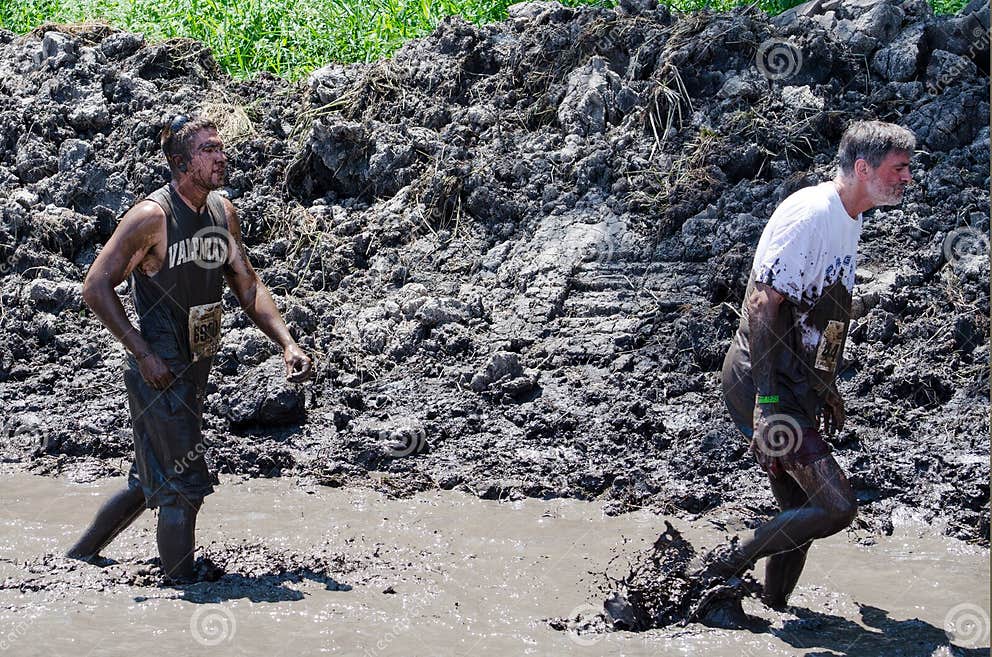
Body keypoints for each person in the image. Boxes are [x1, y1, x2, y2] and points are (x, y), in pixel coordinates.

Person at [66, 115, 312, 581]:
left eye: (221, 147)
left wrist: (286, 342)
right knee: (183, 485)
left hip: (196, 363)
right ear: (180, 163)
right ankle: (182, 587)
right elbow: (95, 287)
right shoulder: (151, 217)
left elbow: (247, 284)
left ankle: (77, 559)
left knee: (148, 479)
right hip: (158, 371)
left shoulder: (221, 212)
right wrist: (143, 353)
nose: (221, 156)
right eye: (208, 150)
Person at [698, 120, 915, 620]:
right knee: (836, 506)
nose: (907, 178)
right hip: (764, 378)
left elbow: (825, 307)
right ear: (863, 168)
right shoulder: (812, 213)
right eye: (898, 169)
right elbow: (760, 303)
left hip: (796, 383)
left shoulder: (848, 217)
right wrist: (769, 406)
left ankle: (772, 606)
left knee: (800, 510)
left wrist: (827, 384)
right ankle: (721, 565)